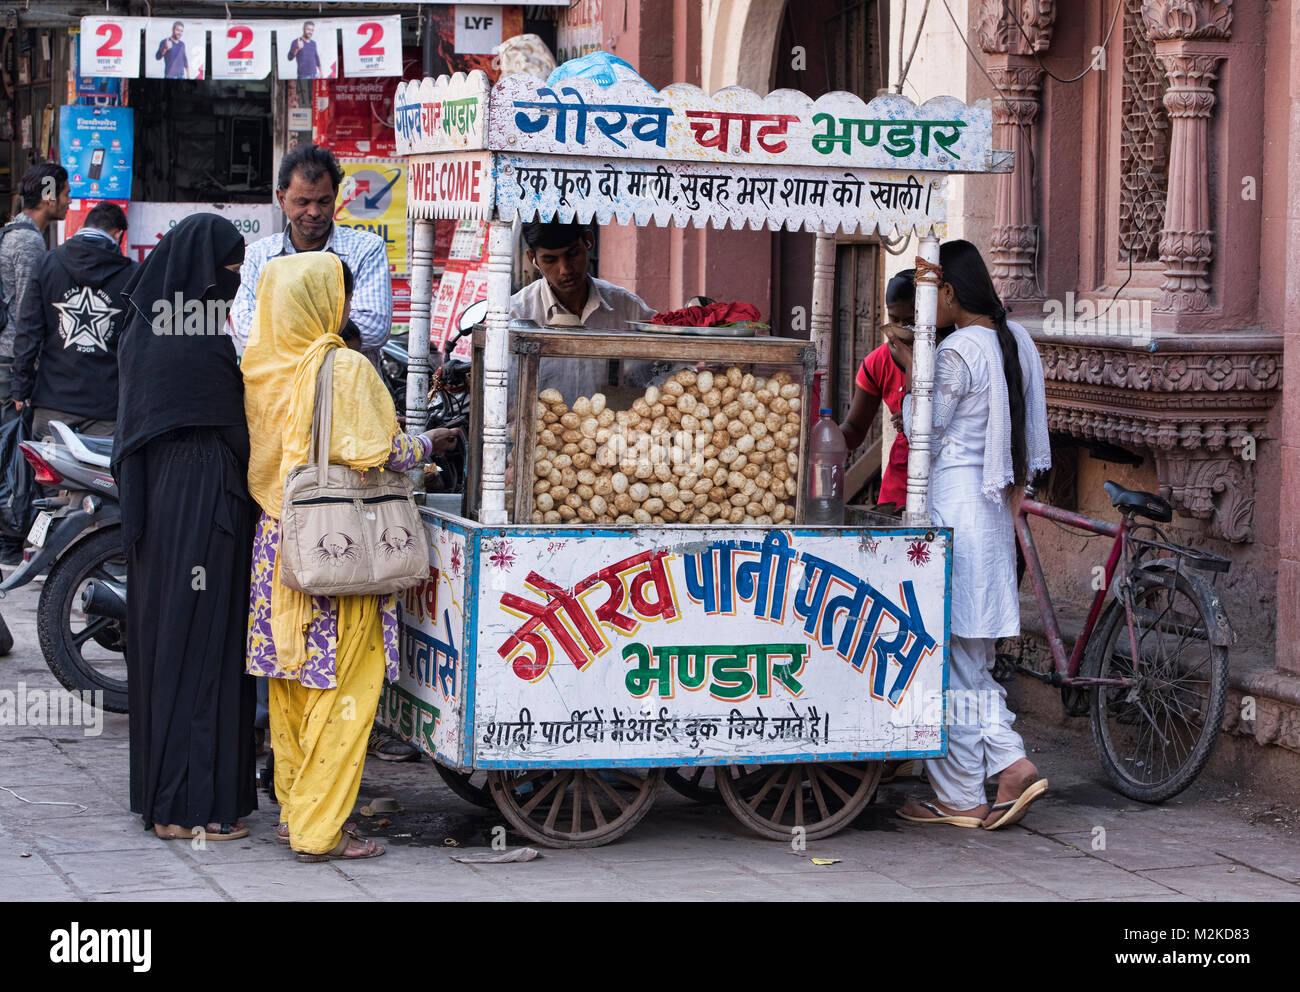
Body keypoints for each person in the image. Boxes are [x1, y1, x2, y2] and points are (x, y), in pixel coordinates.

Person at [241, 252, 457, 861]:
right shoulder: (342, 368)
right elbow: (372, 452)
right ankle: (320, 829)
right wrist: (425, 444)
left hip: (281, 540)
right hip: (338, 546)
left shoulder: (263, 364)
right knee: (344, 687)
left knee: (290, 684)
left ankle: (295, 813)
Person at [890, 240, 1051, 831]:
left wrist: (912, 368)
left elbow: (919, 426)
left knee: (954, 663)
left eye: (931, 297)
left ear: (950, 294)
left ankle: (979, 784)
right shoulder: (1020, 342)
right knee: (970, 664)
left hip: (956, 510)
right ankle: (993, 774)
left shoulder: (958, 351)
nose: (922, 310)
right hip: (994, 516)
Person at [112, 214, 258, 841]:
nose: (233, 280)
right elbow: (231, 421)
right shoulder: (193, 340)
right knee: (204, 645)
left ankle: (166, 797)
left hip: (160, 503)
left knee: (168, 639)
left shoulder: (148, 325)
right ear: (202, 272)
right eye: (228, 270)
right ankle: (191, 807)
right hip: (204, 496)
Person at [230, 144, 392, 369]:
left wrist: (282, 330)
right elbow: (246, 329)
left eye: (324, 202)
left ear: (335, 193)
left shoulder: (366, 249)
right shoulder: (258, 256)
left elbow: (374, 327)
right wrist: (333, 333)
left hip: (345, 396)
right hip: (280, 399)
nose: (314, 212)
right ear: (282, 198)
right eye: (303, 202)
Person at [12, 202, 135, 438]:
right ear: (118, 234)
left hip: (52, 401)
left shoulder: (46, 264)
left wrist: (21, 388)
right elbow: (137, 343)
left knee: (45, 473)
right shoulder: (132, 275)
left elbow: (28, 331)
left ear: (85, 226)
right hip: (106, 406)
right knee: (100, 475)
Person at [0, 162, 69, 563]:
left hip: (10, 358)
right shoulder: (27, 244)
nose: (68, 199)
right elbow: (30, 313)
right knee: (12, 453)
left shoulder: (14, 234)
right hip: (11, 361)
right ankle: (10, 538)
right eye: (63, 192)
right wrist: (26, 378)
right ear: (48, 195)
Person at [509, 220, 657, 402]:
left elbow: (669, 364)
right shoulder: (515, 314)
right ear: (533, 257)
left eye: (572, 254)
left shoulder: (626, 308)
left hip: (610, 430)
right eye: (550, 260)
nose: (565, 269)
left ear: (588, 241)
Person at [839, 270, 915, 515]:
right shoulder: (877, 362)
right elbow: (855, 429)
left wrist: (917, 417)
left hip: (942, 474)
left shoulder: (948, 353)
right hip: (900, 477)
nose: (903, 328)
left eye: (911, 320)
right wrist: (828, 439)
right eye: (895, 320)